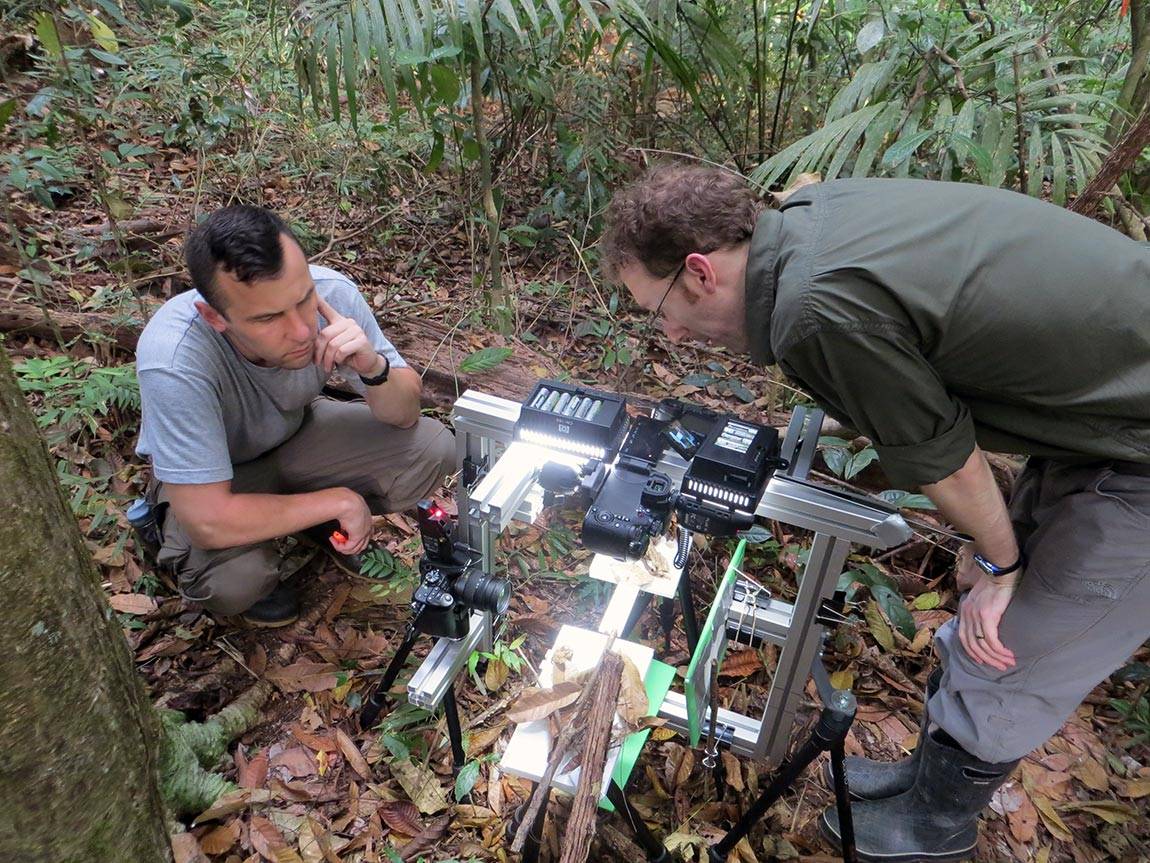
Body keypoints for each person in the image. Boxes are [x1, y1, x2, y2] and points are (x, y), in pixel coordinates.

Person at [601, 164, 1150, 862]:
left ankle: (935, 830)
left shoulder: (815, 308)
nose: (671, 335)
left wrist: (999, 561)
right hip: (1097, 419)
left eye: (660, 311)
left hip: (1135, 442)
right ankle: (924, 785)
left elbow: (947, 460)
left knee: (1013, 646)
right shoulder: (808, 214)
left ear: (702, 272)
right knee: (982, 621)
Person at [135, 205, 456, 627]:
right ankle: (309, 517)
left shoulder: (332, 294)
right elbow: (208, 520)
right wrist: (339, 500)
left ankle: (311, 519)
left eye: (303, 299)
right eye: (268, 318)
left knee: (434, 447)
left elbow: (404, 414)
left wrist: (372, 368)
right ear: (215, 317)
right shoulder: (175, 359)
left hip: (296, 433)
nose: (303, 330)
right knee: (235, 582)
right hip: (220, 476)